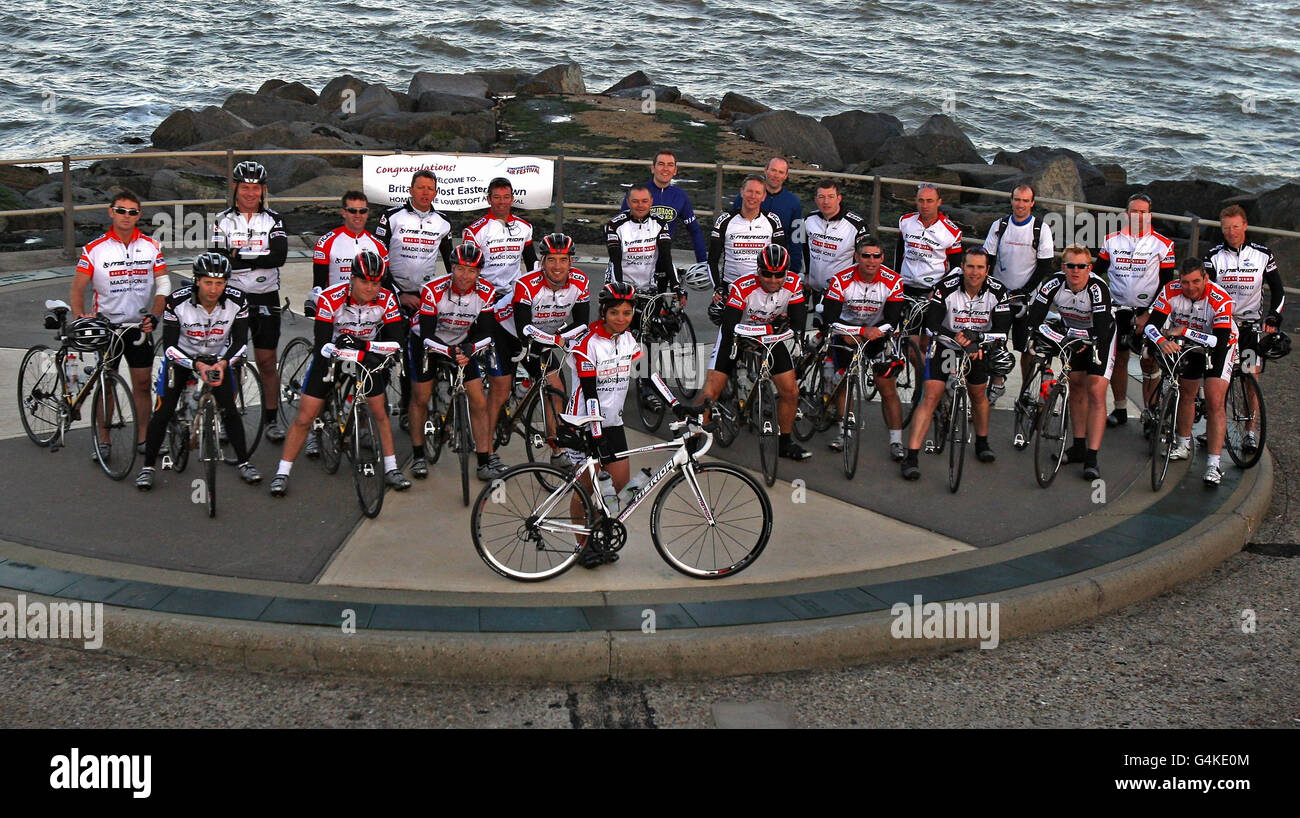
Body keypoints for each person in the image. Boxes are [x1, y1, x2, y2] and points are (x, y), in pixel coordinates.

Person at [270, 251, 411, 497]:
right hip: (332, 356)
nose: (370, 288)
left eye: (376, 282)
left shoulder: (388, 299)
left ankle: (391, 468)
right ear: (351, 279)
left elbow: (397, 342)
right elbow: (324, 345)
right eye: (364, 281)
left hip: (365, 355)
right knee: (305, 416)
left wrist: (365, 347)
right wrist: (358, 349)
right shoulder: (330, 297)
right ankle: (282, 472)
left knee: (380, 412)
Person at [136, 253, 261, 490]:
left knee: (230, 410)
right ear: (196, 281)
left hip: (218, 360)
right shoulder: (176, 301)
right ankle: (148, 467)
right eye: (207, 282)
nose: (214, 289)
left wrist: (222, 364)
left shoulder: (239, 300)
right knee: (163, 412)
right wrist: (196, 365)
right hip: (184, 359)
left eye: (220, 283)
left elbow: (240, 343)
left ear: (226, 282)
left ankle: (245, 462)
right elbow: (170, 346)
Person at [70, 188, 168, 458]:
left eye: (132, 212)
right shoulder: (93, 249)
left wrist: (155, 314)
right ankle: (104, 439)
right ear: (111, 212)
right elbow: (77, 287)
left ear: (139, 215)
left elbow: (163, 284)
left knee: (142, 383)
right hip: (107, 327)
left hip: (138, 327)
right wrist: (80, 315)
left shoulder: (151, 246)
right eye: (121, 211)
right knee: (107, 383)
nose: (126, 216)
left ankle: (144, 438)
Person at [484, 232, 591, 480]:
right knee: (499, 391)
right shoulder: (526, 284)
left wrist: (561, 336)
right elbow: (524, 329)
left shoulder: (580, 282)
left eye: (563, 260)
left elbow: (583, 322)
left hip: (543, 336)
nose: (557, 266)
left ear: (571, 262)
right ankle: (487, 453)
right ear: (541, 261)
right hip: (506, 332)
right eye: (551, 259)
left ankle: (558, 449)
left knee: (556, 388)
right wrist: (558, 339)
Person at [900, 248, 1012, 480]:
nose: (974, 272)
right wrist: (959, 336)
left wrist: (978, 340)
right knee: (931, 395)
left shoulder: (998, 291)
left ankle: (982, 442)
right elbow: (931, 325)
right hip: (947, 345)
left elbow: (1002, 331)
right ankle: (911, 456)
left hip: (979, 348)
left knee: (978, 394)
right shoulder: (945, 287)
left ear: (987, 270)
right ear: (962, 267)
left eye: (980, 267)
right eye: (970, 266)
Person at [698, 244, 812, 461]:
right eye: (767, 274)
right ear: (758, 270)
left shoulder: (794, 284)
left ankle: (785, 442)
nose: (773, 280)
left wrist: (793, 336)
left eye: (779, 275)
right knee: (711, 390)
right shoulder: (742, 286)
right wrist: (772, 327)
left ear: (786, 272)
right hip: (738, 335)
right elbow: (731, 326)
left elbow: (798, 322)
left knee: (791, 391)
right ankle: (693, 439)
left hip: (770, 337)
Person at [563, 281, 645, 568]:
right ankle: (581, 545)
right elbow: (590, 393)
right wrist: (596, 435)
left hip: (612, 421)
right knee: (587, 488)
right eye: (614, 313)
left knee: (620, 485)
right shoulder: (588, 343)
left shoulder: (628, 340)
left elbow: (646, 375)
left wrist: (676, 405)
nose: (621, 318)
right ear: (603, 312)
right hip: (584, 421)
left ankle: (596, 535)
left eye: (627, 312)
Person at [210, 161, 289, 443]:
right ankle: (224, 419)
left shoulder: (274, 220)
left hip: (267, 296)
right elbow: (219, 262)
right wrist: (257, 257)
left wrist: (240, 256)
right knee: (230, 361)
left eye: (256, 188)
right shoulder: (222, 221)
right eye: (245, 188)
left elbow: (278, 257)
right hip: (232, 299)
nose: (250, 193)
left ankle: (271, 420)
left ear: (263, 190)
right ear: (235, 188)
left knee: (267, 362)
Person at [1024, 245, 1116, 480]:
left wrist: (1088, 341)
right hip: (1072, 334)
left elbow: (1102, 327)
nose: (1076, 271)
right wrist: (1044, 336)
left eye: (1081, 266)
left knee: (1095, 389)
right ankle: (1078, 446)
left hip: (1101, 334)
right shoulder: (1053, 283)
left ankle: (1092, 458)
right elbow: (1034, 316)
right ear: (1063, 267)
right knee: (1075, 385)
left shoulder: (1098, 288)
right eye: (1071, 266)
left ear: (1089, 268)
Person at [1145, 258, 1238, 486]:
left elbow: (1219, 340)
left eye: (1196, 281)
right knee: (1187, 393)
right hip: (1187, 342)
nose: (1190, 287)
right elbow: (1151, 325)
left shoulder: (1220, 298)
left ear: (1205, 278)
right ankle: (1183, 443)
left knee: (1215, 400)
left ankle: (1213, 465)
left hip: (1220, 345)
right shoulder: (1171, 291)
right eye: (1185, 282)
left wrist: (1184, 330)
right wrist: (1160, 340)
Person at [409, 242, 496, 479]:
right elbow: (426, 334)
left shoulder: (486, 292)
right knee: (421, 397)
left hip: (460, 345)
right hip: (427, 342)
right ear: (452, 267)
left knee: (478, 399)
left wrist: (469, 349)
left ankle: (484, 460)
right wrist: (448, 351)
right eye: (459, 268)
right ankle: (418, 455)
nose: (465, 275)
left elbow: (487, 331)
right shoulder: (432, 290)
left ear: (479, 273)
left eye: (471, 270)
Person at [374, 170, 455, 426]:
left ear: (435, 192)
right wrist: (398, 295)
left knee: (415, 355)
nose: (425, 192)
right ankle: (374, 408)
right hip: (392, 293)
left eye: (430, 188)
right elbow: (377, 260)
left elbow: (451, 263)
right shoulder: (390, 217)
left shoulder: (443, 222)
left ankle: (410, 411)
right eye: (420, 187)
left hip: (422, 297)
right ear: (410, 190)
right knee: (389, 352)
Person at [820, 235, 907, 461]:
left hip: (877, 333)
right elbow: (830, 318)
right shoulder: (840, 280)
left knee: (887, 387)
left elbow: (893, 319)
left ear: (882, 258)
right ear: (857, 257)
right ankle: (843, 433)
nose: (871, 261)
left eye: (876, 256)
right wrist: (857, 332)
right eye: (866, 256)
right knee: (843, 384)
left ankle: (896, 441)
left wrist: (872, 333)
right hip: (847, 333)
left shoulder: (894, 281)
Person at [1094, 192, 1175, 427]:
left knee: (1149, 361)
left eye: (1143, 212)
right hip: (1118, 308)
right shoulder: (1111, 240)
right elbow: (1097, 272)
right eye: (1134, 212)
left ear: (1149, 215)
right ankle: (1120, 409)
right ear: (1126, 214)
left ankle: (1150, 412)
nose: (1138, 216)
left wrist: (1149, 314)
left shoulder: (1163, 244)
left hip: (1150, 310)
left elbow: (1167, 284)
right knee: (1119, 359)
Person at [983, 183, 1056, 403]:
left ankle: (1025, 391)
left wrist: (1025, 292)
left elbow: (1045, 266)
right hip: (1000, 296)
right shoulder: (1000, 225)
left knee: (1027, 348)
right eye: (1017, 199)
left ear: (1032, 203)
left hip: (1027, 298)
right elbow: (988, 259)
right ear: (1011, 200)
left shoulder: (1040, 228)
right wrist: (992, 289)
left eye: (1025, 200)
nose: (1020, 204)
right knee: (996, 341)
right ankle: (997, 384)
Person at [1204, 204, 1284, 384]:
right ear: (1222, 229)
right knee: (1221, 380)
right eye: (1227, 228)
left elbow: (1278, 289)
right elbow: (1206, 293)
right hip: (1223, 327)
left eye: (1236, 227)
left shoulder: (1262, 254)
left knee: (1250, 379)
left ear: (1245, 225)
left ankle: (1253, 414)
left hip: (1249, 329)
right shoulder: (1212, 256)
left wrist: (1273, 316)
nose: (1231, 232)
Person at [620, 148, 708, 265]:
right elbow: (621, 227)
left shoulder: (680, 196)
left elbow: (695, 230)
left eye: (670, 165)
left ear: (675, 170)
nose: (665, 169)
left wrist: (702, 263)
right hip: (634, 259)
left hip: (664, 259)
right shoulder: (637, 192)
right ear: (653, 168)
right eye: (661, 164)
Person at [708, 175, 788, 297]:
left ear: (763, 196)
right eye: (749, 191)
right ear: (742, 192)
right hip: (731, 287)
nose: (753, 196)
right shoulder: (724, 220)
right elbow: (712, 261)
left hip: (762, 289)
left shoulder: (773, 221)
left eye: (757, 192)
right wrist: (717, 288)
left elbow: (783, 260)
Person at [802, 178, 869, 315]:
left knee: (837, 331)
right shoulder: (809, 219)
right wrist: (806, 274)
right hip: (815, 288)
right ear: (815, 199)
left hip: (842, 292)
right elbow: (804, 249)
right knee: (819, 328)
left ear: (839, 198)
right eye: (821, 197)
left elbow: (865, 259)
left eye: (830, 197)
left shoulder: (857, 225)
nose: (826, 202)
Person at [462, 177, 536, 297]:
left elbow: (531, 263)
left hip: (515, 293)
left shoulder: (525, 227)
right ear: (489, 199)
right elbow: (468, 269)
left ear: (512, 199)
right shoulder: (473, 231)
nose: (502, 201)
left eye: (506, 197)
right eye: (496, 197)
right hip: (484, 294)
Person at [730, 157, 804, 276]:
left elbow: (797, 237)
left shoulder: (794, 202)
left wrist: (794, 269)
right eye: (773, 170)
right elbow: (733, 228)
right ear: (765, 170)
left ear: (786, 175)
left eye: (781, 172)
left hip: (777, 265)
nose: (776, 175)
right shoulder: (746, 197)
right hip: (745, 261)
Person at [894, 183, 964, 298]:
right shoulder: (905, 221)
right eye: (921, 200)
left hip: (932, 289)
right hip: (904, 285)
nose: (925, 205)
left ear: (939, 202)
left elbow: (956, 268)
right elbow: (899, 252)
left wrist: (940, 290)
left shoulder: (952, 232)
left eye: (930, 200)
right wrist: (896, 281)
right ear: (915, 201)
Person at [605, 184, 675, 291]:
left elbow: (666, 256)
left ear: (651, 201)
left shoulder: (660, 222)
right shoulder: (614, 225)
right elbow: (615, 261)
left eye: (644, 201)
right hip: (620, 281)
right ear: (628, 202)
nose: (640, 205)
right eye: (635, 201)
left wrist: (675, 284)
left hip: (649, 284)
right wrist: (619, 287)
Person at [313, 191, 389, 290]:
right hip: (336, 304)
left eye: (362, 211)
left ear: (367, 213)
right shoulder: (326, 242)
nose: (358, 215)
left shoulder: (378, 245)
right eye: (352, 211)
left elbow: (385, 284)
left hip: (369, 304)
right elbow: (318, 286)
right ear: (344, 213)